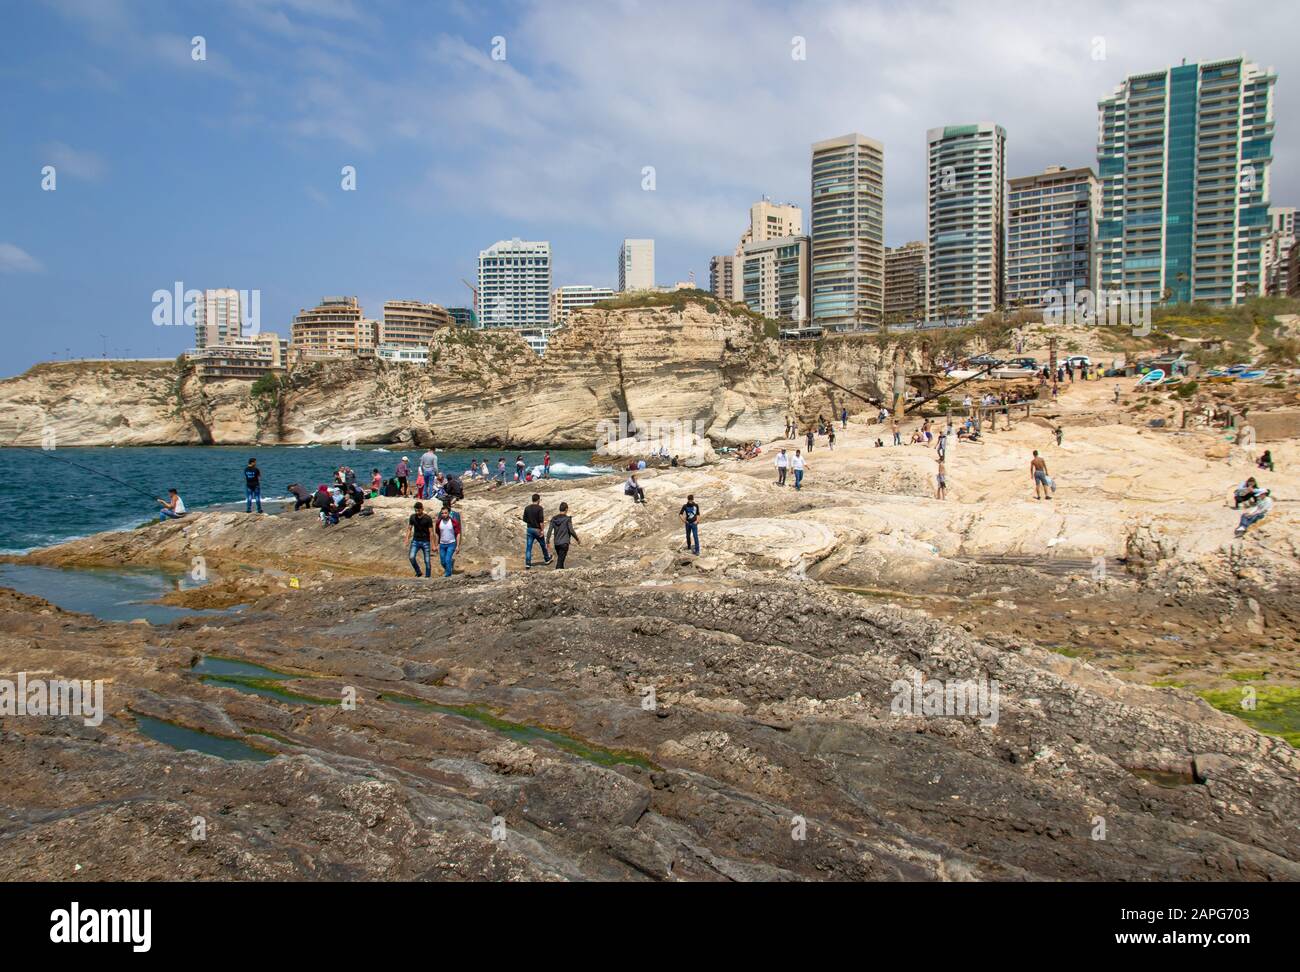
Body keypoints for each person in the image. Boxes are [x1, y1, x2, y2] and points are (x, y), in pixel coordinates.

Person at [546, 501, 580, 568]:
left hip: (556, 543)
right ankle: (556, 574)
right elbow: (571, 530)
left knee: (561, 560)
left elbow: (549, 530)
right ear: (566, 509)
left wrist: (547, 540)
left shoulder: (554, 519)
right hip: (564, 543)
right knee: (560, 561)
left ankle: (561, 572)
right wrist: (577, 539)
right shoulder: (567, 519)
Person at [522, 493, 551, 567]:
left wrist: (530, 522)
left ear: (532, 499)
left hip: (529, 529)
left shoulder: (527, 508)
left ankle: (528, 563)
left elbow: (524, 519)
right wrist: (542, 530)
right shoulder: (539, 508)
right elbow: (541, 521)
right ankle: (547, 559)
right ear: (538, 500)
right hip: (537, 529)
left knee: (529, 547)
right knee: (543, 545)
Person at [406, 502, 434, 577]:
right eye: (416, 510)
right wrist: (407, 539)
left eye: (418, 510)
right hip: (416, 540)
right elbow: (409, 528)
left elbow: (431, 532)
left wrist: (433, 544)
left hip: (425, 541)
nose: (417, 512)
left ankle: (428, 576)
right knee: (411, 557)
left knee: (427, 560)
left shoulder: (427, 518)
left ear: (422, 509)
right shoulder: (412, 517)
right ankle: (418, 572)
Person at [435, 503, 460, 577]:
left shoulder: (453, 522)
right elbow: (437, 533)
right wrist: (437, 544)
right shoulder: (439, 522)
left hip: (451, 543)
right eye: (442, 513)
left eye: (445, 513)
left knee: (447, 559)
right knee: (443, 562)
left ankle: (448, 575)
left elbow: (458, 533)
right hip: (442, 544)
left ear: (449, 513)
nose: (444, 514)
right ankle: (449, 569)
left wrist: (457, 546)